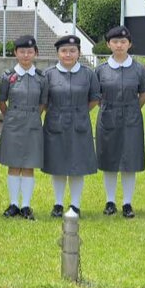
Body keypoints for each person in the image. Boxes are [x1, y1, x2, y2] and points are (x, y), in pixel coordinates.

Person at [95, 26, 145, 219]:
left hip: (131, 116)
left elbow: (144, 92)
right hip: (108, 115)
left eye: (123, 42)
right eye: (115, 42)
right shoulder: (101, 69)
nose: (119, 45)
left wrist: (134, 106)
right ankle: (110, 201)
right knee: (109, 157)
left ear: (130, 44)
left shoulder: (138, 68)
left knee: (130, 159)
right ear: (109, 44)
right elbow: (96, 94)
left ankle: (127, 202)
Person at [42, 35, 101, 218]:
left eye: (72, 50)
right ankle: (58, 204)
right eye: (64, 51)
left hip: (79, 123)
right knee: (57, 163)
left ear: (79, 52)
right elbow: (44, 100)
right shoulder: (49, 74)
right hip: (55, 122)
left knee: (78, 164)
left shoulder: (88, 73)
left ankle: (75, 205)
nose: (68, 54)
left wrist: (79, 111)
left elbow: (94, 99)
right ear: (58, 53)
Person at [0, 35, 47, 221]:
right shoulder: (8, 76)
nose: (26, 55)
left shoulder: (41, 78)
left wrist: (32, 115)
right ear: (15, 53)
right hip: (13, 123)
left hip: (33, 122)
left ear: (35, 53)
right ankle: (13, 204)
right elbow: (1, 100)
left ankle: (25, 205)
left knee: (29, 164)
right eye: (22, 51)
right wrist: (11, 115)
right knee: (14, 163)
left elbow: (43, 103)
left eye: (30, 51)